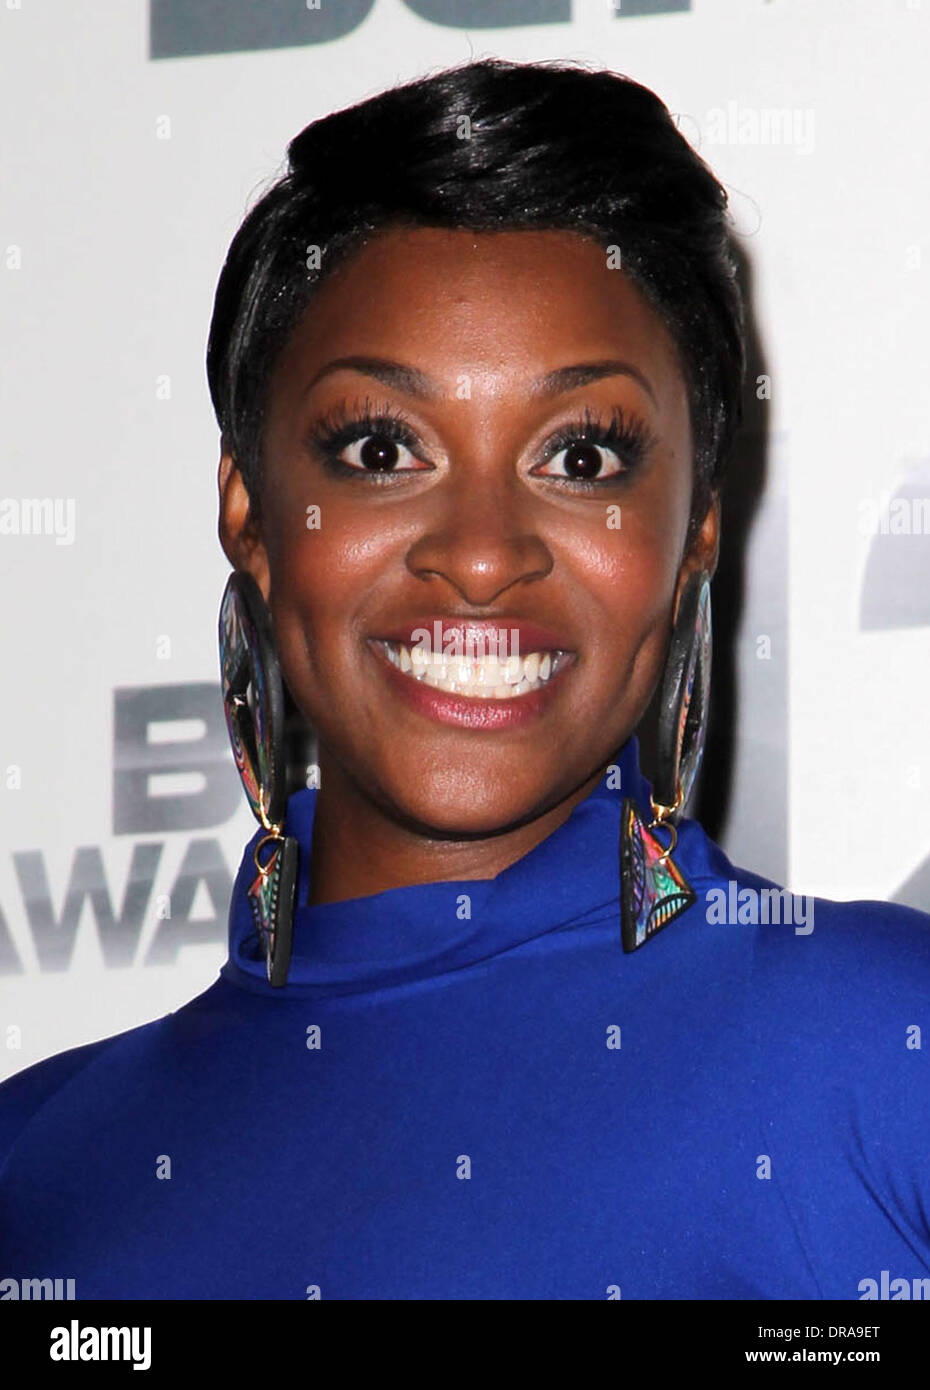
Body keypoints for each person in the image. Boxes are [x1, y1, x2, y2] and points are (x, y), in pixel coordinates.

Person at [1, 57, 928, 1302]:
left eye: (582, 453)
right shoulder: (39, 1168)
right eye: (382, 447)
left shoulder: (879, 1058)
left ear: (696, 525)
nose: (483, 555)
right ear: (253, 513)